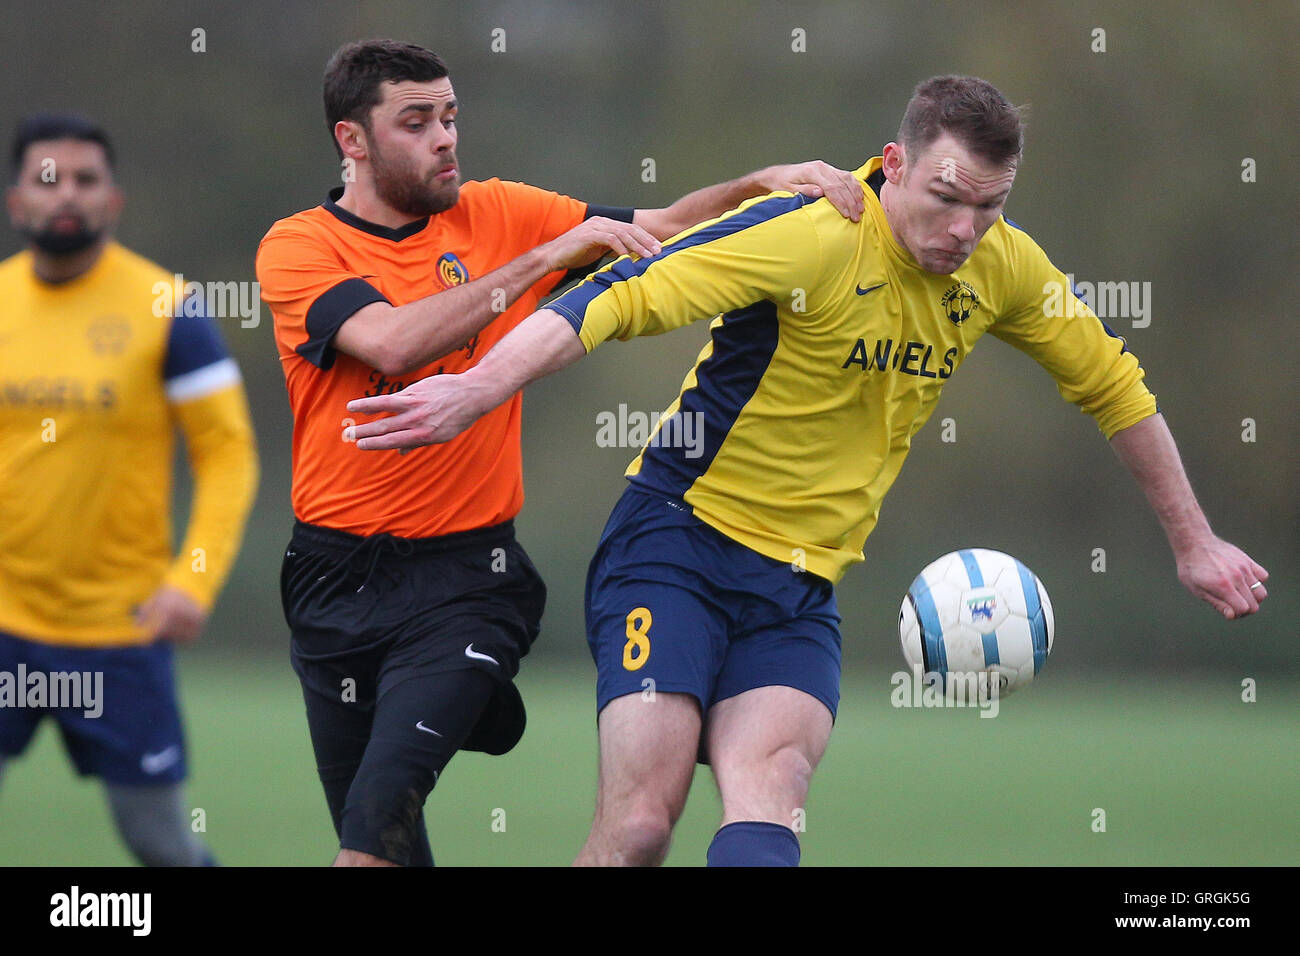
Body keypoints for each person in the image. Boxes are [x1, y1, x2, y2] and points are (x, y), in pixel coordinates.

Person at [345, 75, 1271, 867]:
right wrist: (473, 389)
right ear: (894, 164)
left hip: (798, 586)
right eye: (949, 198)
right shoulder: (809, 234)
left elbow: (1118, 390)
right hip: (675, 543)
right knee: (636, 830)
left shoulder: (1006, 269)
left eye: (991, 207)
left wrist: (1194, 544)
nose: (967, 229)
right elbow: (617, 296)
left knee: (770, 802)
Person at [255, 37, 862, 868]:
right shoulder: (297, 247)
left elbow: (655, 228)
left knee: (368, 831)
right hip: (331, 582)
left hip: (466, 584)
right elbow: (390, 344)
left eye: (451, 117)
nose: (445, 138)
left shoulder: (501, 207)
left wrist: (755, 186)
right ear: (351, 141)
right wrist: (540, 260)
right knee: (389, 850)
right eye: (417, 121)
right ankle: (459, 715)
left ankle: (458, 690)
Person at [0, 114, 259, 865]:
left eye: (86, 179)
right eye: (49, 179)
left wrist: (195, 579)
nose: (66, 195)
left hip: (119, 630)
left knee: (159, 842)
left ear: (115, 200)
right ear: (17, 200)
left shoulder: (167, 308)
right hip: (4, 621)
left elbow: (228, 454)